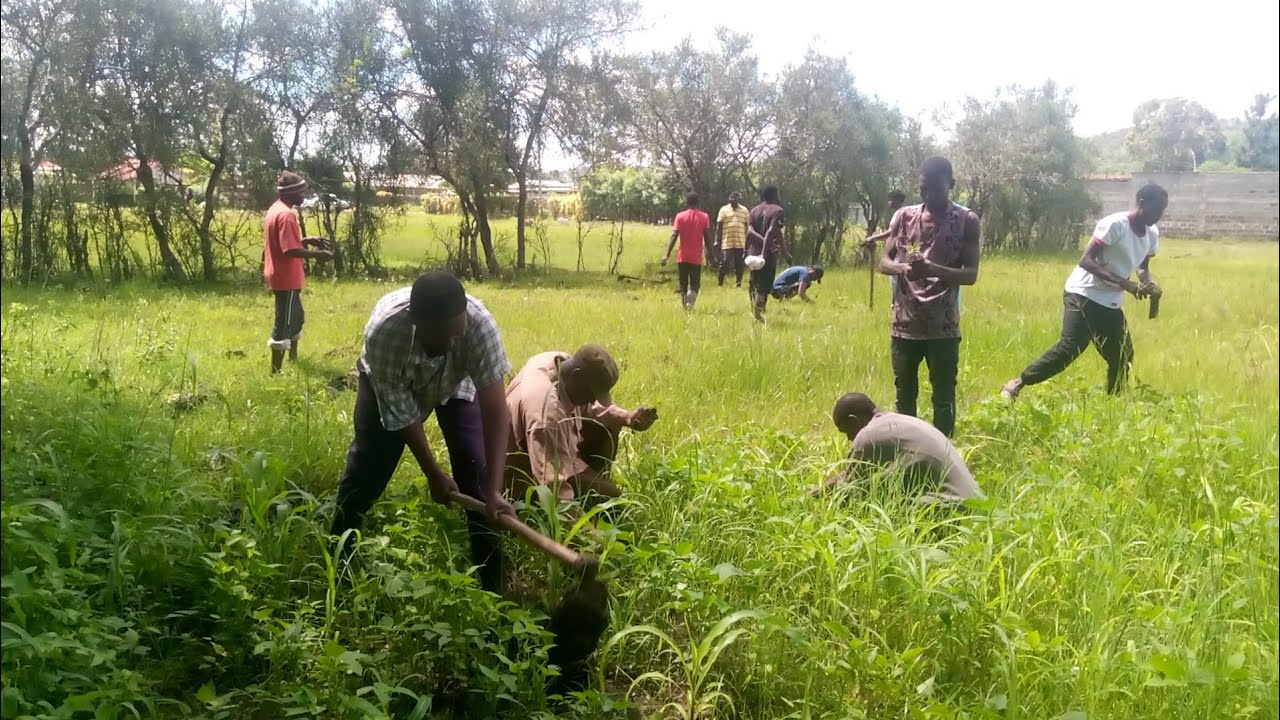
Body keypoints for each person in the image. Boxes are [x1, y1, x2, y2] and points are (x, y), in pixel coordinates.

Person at [329, 271, 516, 593]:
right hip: (393, 381)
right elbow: (402, 414)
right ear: (417, 322)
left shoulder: (480, 328)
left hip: (455, 382)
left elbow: (496, 411)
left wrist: (494, 490)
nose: (454, 342)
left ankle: (493, 584)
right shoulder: (386, 333)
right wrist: (434, 474)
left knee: (476, 472)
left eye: (458, 334)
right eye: (445, 336)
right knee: (368, 467)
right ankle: (338, 556)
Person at [1001, 184, 1168, 400]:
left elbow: (1142, 268)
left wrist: (1149, 283)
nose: (1160, 215)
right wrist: (1125, 284)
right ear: (1142, 203)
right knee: (1070, 348)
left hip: (1110, 301)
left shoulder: (1152, 234)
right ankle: (1017, 383)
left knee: (1122, 356)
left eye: (1163, 210)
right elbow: (1086, 261)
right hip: (1083, 294)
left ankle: (1113, 402)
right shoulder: (1115, 225)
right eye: (1157, 208)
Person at [878, 157, 980, 438]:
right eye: (924, 189)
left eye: (936, 189)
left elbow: (971, 274)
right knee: (904, 397)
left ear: (951, 185)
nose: (929, 196)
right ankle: (907, 453)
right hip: (905, 325)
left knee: (944, 397)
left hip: (943, 327)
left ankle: (944, 454)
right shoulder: (903, 217)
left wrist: (933, 269)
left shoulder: (967, 221)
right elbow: (884, 262)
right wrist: (903, 268)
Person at [505, 345, 658, 503]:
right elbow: (552, 484)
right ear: (576, 376)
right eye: (591, 394)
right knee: (611, 498)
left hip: (554, 443)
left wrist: (627, 417)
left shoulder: (562, 364)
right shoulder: (545, 412)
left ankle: (590, 486)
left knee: (608, 426)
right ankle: (587, 499)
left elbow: (591, 407)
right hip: (521, 466)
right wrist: (576, 517)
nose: (592, 400)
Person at [811, 393, 982, 506]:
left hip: (952, 507)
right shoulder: (896, 422)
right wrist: (819, 491)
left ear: (853, 420)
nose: (849, 439)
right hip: (974, 502)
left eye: (846, 432)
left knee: (875, 500)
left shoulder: (867, 435)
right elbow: (853, 472)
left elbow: (850, 489)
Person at [263, 170, 333, 374]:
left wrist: (306, 240)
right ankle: (275, 372)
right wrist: (318, 254)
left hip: (282, 275)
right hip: (285, 277)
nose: (304, 196)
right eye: (301, 192)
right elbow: (289, 250)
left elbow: (283, 242)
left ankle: (293, 359)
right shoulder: (286, 215)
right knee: (284, 323)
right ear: (291, 193)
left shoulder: (275, 209)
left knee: (297, 318)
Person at [746, 184, 790, 322]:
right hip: (768, 255)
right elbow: (771, 232)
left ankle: (756, 311)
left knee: (754, 282)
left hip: (753, 253)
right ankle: (758, 315)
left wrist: (745, 251)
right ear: (774, 195)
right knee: (764, 286)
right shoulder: (778, 211)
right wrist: (765, 252)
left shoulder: (753, 211)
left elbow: (750, 232)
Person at [661, 192, 713, 310]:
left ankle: (685, 306)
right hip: (696, 257)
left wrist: (666, 254)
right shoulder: (704, 217)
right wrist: (711, 256)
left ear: (687, 202)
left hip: (682, 256)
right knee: (695, 284)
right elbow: (707, 238)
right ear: (698, 202)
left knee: (683, 284)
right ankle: (689, 303)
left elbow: (674, 235)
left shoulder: (680, 216)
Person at [862, 190, 909, 304]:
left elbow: (892, 233)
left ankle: (897, 306)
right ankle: (896, 304)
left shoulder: (900, 213)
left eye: (891, 200)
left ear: (897, 200)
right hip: (896, 253)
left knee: (896, 283)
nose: (889, 202)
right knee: (895, 284)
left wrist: (873, 237)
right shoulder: (899, 213)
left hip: (897, 254)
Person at [715, 192, 750, 287]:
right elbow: (719, 226)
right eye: (731, 197)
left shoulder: (744, 210)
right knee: (724, 263)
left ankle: (738, 284)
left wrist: (747, 240)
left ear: (738, 199)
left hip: (740, 242)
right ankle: (720, 284)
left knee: (739, 264)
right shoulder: (723, 209)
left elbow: (748, 226)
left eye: (735, 197)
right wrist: (716, 240)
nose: (733, 198)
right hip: (727, 242)